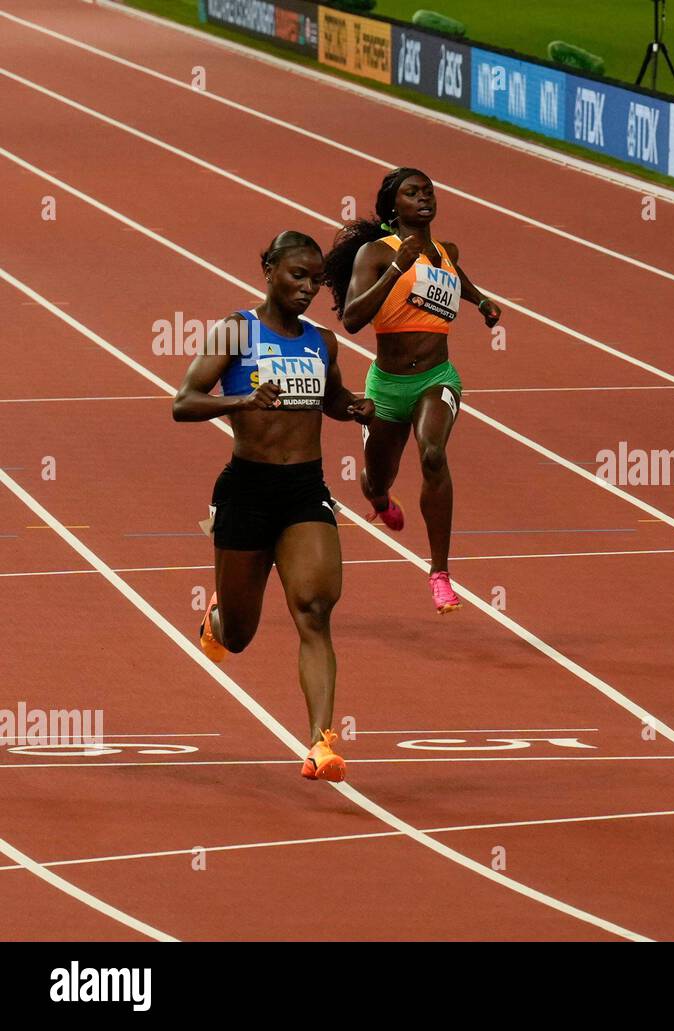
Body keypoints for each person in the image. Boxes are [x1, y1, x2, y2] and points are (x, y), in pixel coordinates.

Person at [173, 231, 374, 781]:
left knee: (314, 609)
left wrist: (353, 406)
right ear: (268, 270)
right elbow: (183, 402)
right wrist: (242, 399)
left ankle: (321, 742)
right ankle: (217, 616)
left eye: (316, 280)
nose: (308, 288)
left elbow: (329, 398)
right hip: (247, 491)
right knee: (238, 635)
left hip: (304, 491)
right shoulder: (236, 331)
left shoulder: (322, 343)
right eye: (297, 276)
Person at [323, 167, 501, 614]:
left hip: (436, 379)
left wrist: (480, 302)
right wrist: (396, 268)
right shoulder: (376, 254)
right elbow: (352, 319)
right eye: (411, 192)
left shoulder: (444, 251)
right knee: (377, 475)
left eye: (428, 191)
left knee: (432, 454)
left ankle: (439, 573)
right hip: (386, 385)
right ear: (392, 205)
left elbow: (454, 272)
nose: (424, 197)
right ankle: (379, 497)